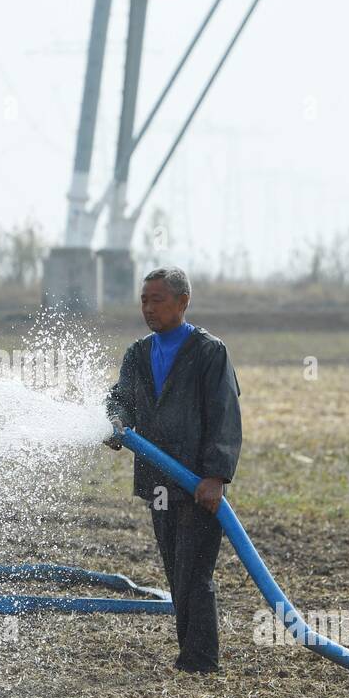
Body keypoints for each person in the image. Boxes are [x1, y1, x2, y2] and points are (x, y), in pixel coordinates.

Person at [104, 267, 242, 673]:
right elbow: (120, 399)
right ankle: (190, 655)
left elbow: (224, 416)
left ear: (183, 303)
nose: (148, 308)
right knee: (175, 570)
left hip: (198, 483)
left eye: (158, 300)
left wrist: (215, 476)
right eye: (144, 300)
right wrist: (115, 423)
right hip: (158, 482)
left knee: (194, 573)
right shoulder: (138, 353)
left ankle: (200, 660)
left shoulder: (208, 352)